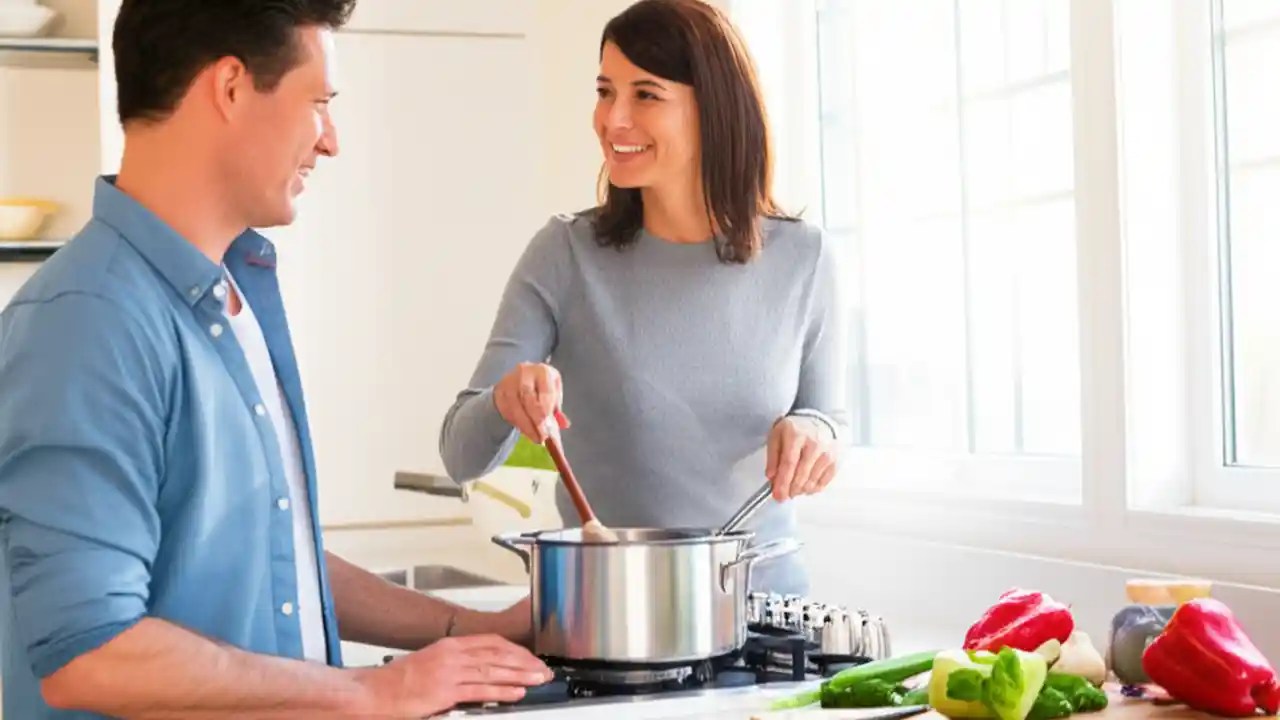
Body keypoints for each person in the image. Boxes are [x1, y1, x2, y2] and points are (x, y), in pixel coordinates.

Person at [0, 1, 549, 717]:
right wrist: (372, 690)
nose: (331, 141)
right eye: (317, 103)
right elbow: (89, 653)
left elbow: (268, 559)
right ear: (229, 88)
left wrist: (464, 629)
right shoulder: (89, 322)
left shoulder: (229, 291)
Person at [440, 0, 849, 595]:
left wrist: (816, 434)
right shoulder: (565, 253)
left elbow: (828, 419)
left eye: (646, 95)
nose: (613, 119)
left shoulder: (805, 259)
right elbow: (460, 455)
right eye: (606, 92)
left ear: (713, 108)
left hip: (765, 620)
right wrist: (505, 400)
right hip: (612, 620)